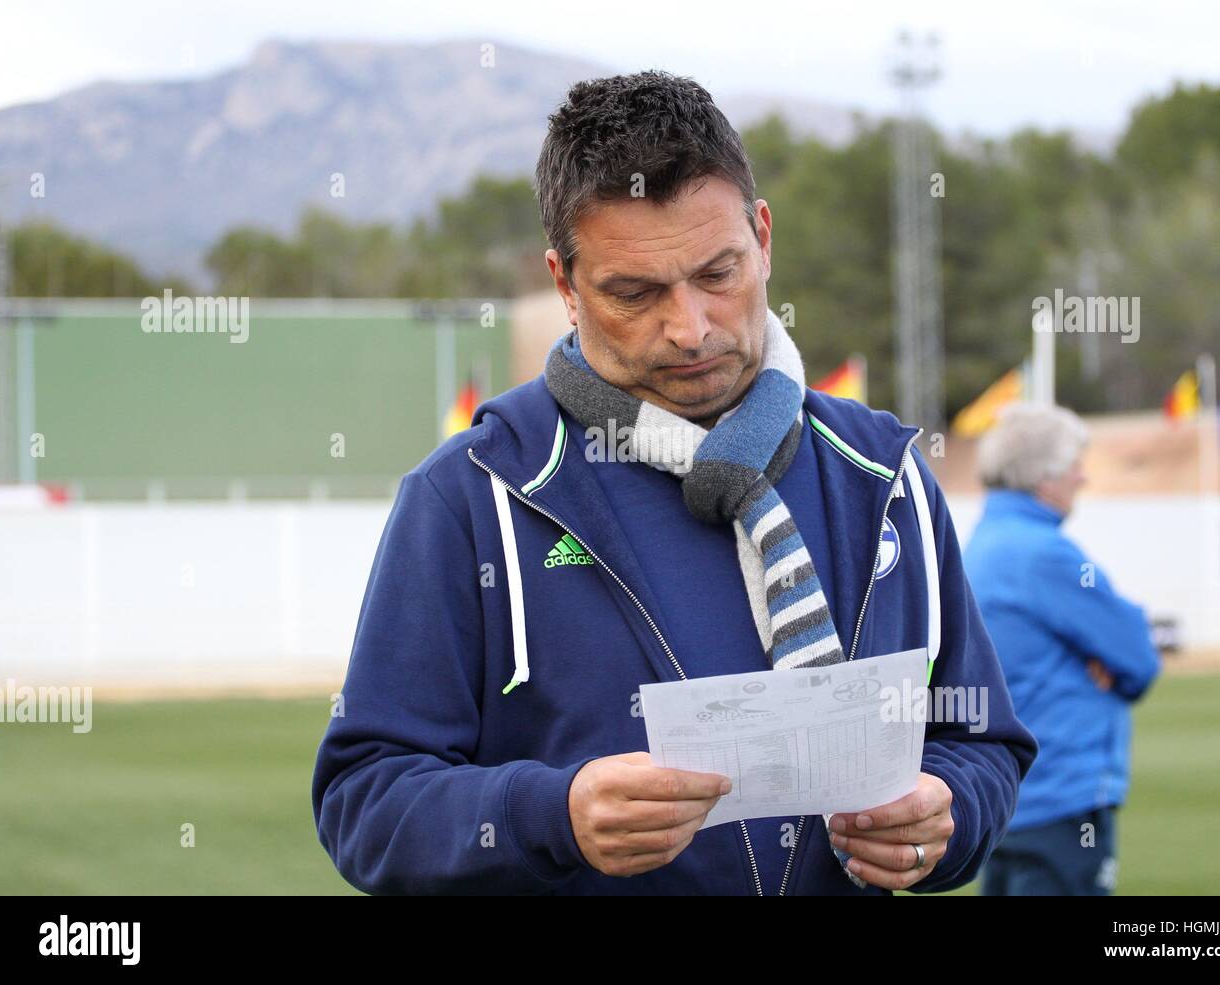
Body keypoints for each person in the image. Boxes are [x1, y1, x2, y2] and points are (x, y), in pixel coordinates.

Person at [311, 70, 1036, 895]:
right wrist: (552, 813)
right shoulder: (474, 492)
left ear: (763, 237)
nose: (689, 328)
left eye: (718, 273)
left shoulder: (885, 473)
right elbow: (362, 801)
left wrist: (948, 814)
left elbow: (980, 739)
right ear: (564, 285)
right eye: (635, 292)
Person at [963, 402, 1161, 896]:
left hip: (1006, 798)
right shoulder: (1042, 553)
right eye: (1075, 464)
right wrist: (1098, 661)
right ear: (1044, 475)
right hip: (1058, 795)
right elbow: (1137, 656)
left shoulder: (985, 542)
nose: (1083, 478)